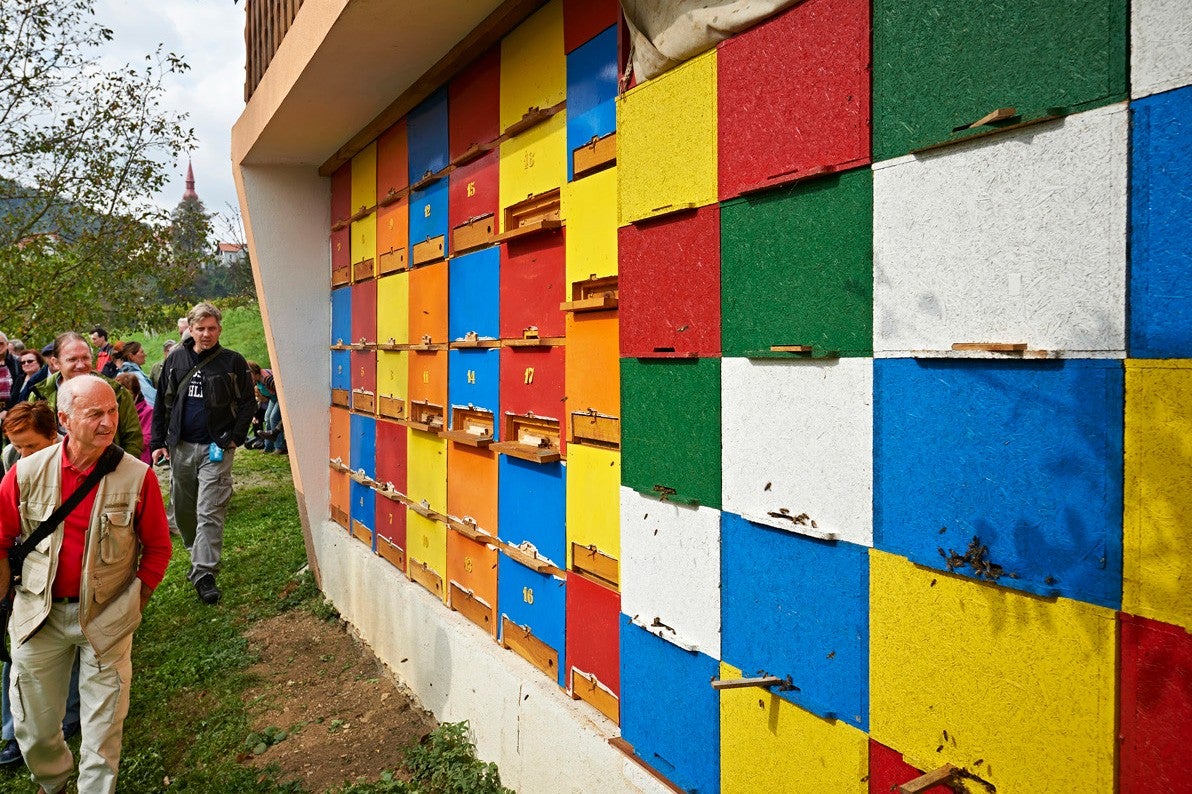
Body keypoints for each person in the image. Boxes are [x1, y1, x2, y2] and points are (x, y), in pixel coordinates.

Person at [0, 376, 171, 793]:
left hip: (107, 615)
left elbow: (158, 550)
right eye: (95, 413)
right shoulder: (24, 473)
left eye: (112, 410)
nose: (108, 421)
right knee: (34, 727)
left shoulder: (138, 476)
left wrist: (134, 604)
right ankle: (53, 780)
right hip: (38, 615)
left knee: (103, 729)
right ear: (64, 419)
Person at [151, 303, 254, 605]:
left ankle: (204, 573)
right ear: (190, 330)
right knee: (183, 509)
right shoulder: (176, 360)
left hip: (216, 448)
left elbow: (248, 402)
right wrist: (158, 441)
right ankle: (196, 549)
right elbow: (161, 403)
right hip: (180, 446)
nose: (206, 334)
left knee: (209, 509)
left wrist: (235, 437)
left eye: (211, 328)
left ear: (219, 329)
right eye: (201, 328)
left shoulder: (232, 362)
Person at [0, 403, 80, 769]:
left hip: (71, 575)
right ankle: (15, 730)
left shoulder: (78, 463)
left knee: (74, 645)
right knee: (19, 653)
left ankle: (69, 717)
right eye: (16, 445)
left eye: (30, 446)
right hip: (27, 574)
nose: (22, 454)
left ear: (54, 437)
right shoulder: (11, 463)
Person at [37, 333, 143, 459]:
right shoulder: (40, 394)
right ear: (55, 363)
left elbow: (132, 438)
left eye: (85, 358)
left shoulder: (117, 392)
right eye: (72, 359)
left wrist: (118, 470)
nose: (81, 365)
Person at [114, 373, 153, 466]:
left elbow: (146, 439)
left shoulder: (147, 411)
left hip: (140, 460)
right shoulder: (113, 411)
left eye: (128, 393)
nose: (124, 397)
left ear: (136, 394)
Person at [114, 341, 156, 407]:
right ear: (131, 356)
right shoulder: (135, 376)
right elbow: (151, 401)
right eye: (142, 352)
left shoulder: (120, 373)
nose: (145, 355)